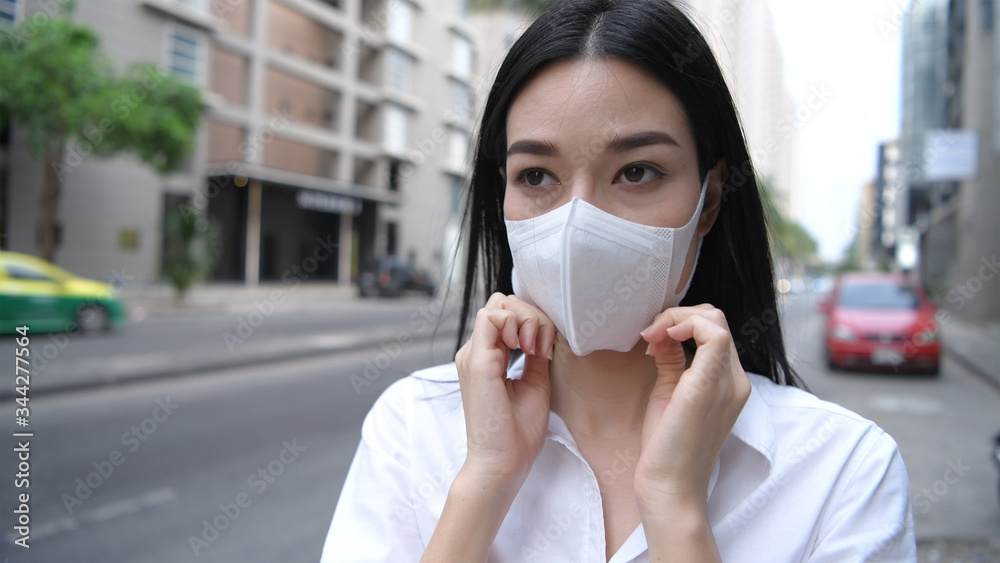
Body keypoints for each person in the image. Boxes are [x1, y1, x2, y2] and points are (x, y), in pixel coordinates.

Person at [320, 0, 916, 561]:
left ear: (709, 199)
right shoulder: (411, 428)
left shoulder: (841, 471)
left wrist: (677, 512)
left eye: (636, 171)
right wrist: (485, 484)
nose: (579, 220)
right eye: (536, 176)